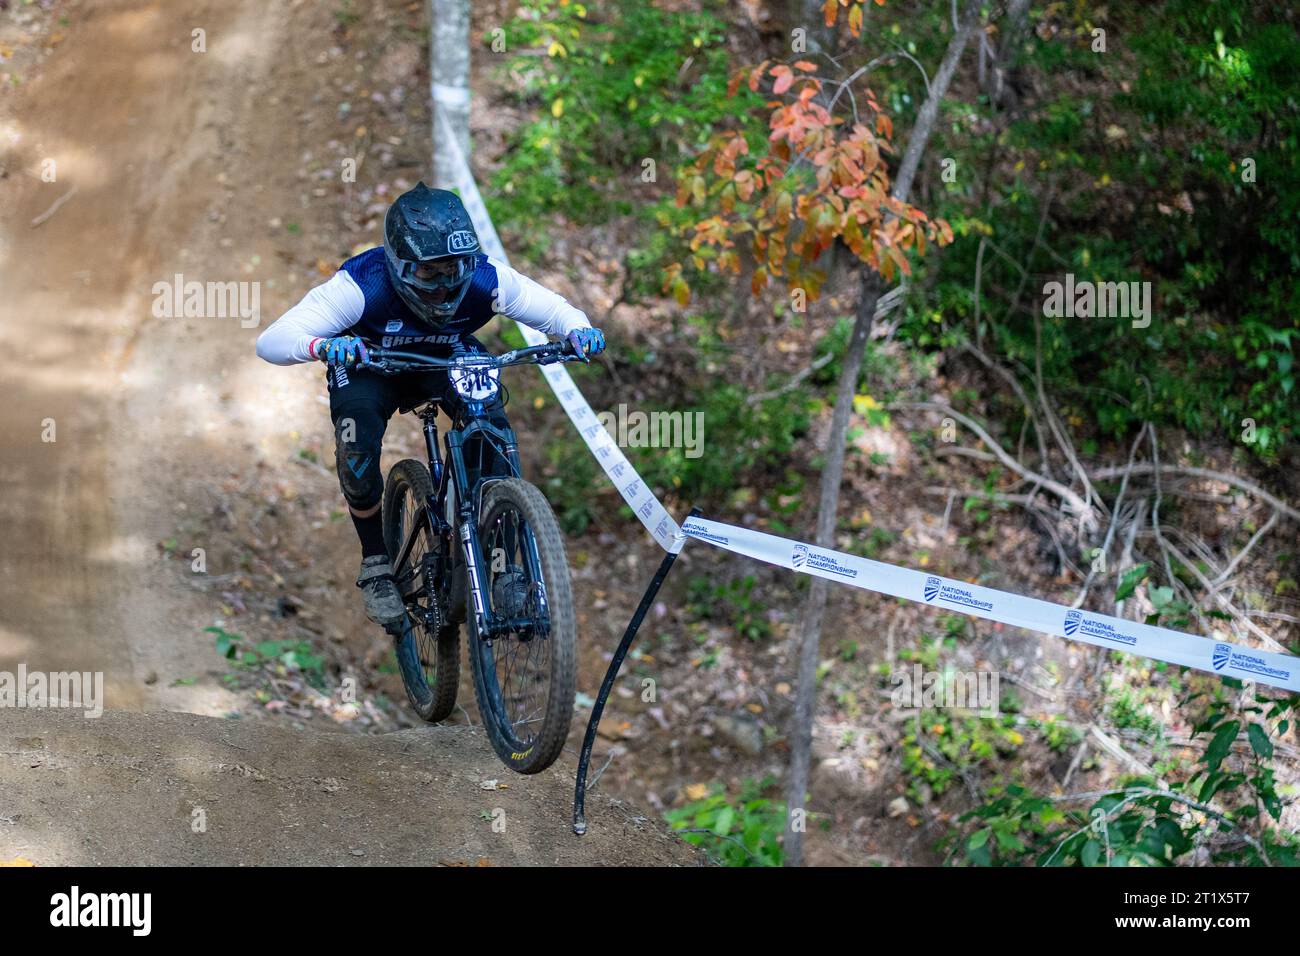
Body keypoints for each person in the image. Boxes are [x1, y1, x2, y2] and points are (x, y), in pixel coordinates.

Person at [256, 182, 605, 625]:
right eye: (429, 273)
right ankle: (377, 564)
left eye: (455, 268)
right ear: (399, 264)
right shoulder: (360, 285)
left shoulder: (485, 277)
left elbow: (555, 311)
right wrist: (321, 346)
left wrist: (579, 330)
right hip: (371, 365)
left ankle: (503, 566)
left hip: (445, 359)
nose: (444, 285)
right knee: (356, 439)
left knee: (489, 419)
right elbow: (271, 342)